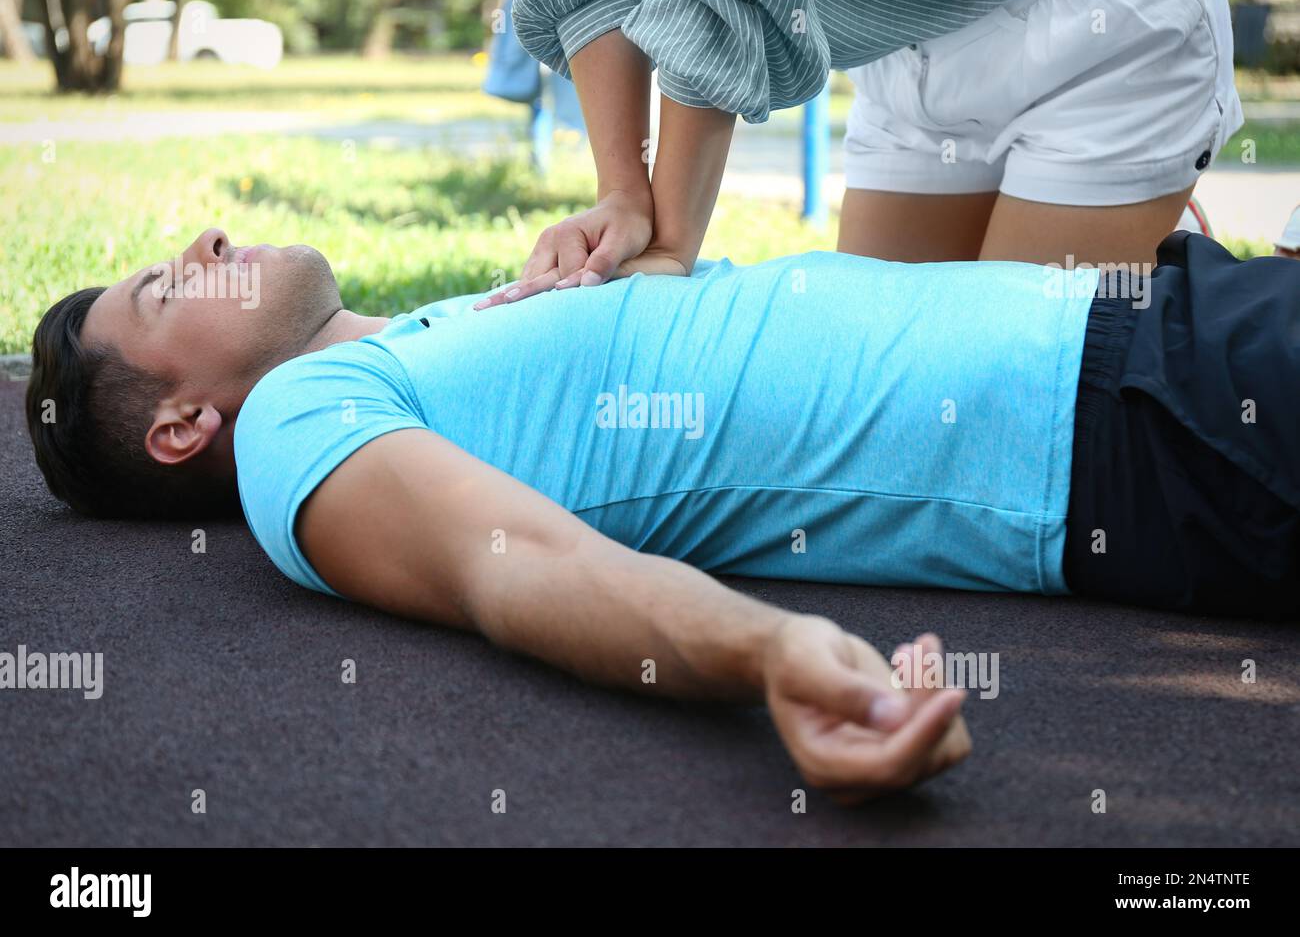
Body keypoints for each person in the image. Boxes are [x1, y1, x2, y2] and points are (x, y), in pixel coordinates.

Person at [23, 227, 1299, 802]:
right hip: (1129, 416)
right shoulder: (299, 421)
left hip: (1140, 335)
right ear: (183, 426)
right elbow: (515, 566)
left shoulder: (428, 338)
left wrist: (610, 259)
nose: (206, 234)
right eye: (164, 284)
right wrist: (770, 649)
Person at [482, 0, 1242, 308]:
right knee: (896, 378)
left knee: (1003, 392)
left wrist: (672, 244)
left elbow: (727, 1)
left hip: (1099, 38)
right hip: (908, 34)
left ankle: (1167, 257)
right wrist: (625, 190)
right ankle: (1144, 228)